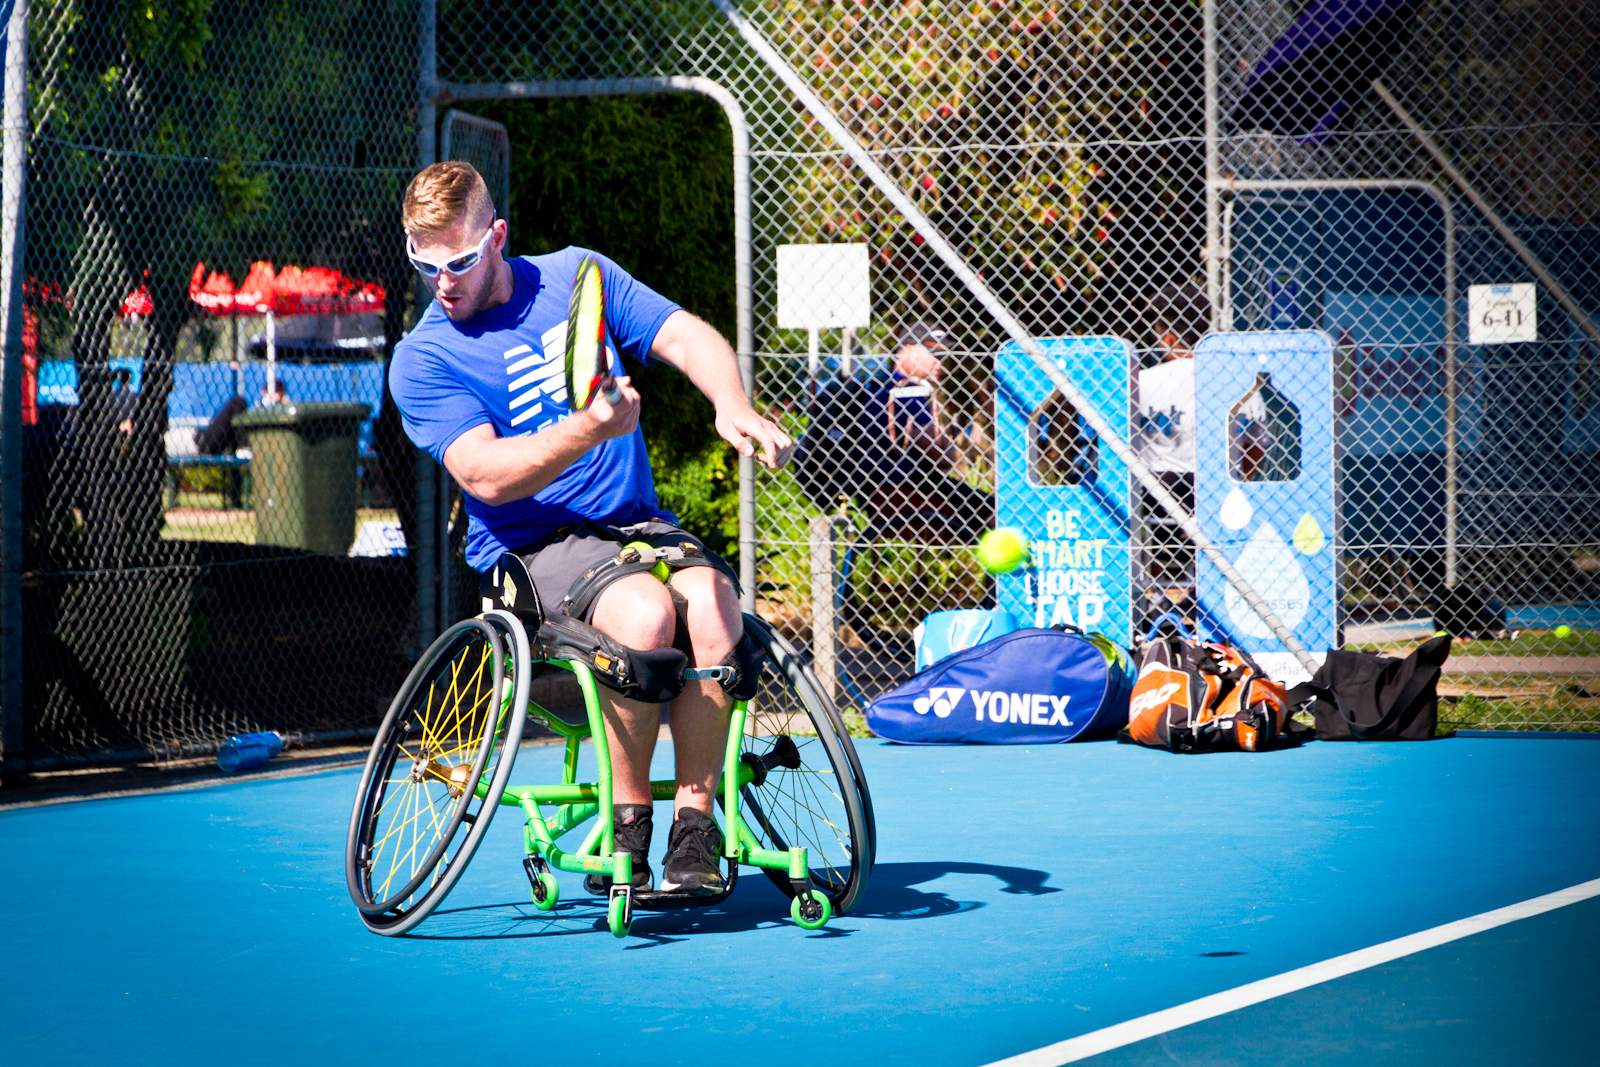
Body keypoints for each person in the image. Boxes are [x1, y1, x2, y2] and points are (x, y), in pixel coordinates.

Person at [388, 161, 792, 898]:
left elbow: (685, 333)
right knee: (645, 612)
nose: (442, 281)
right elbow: (483, 474)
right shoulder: (424, 358)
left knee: (713, 604)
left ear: (497, 237)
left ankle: (693, 831)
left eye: (460, 260)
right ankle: (629, 822)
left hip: (635, 524)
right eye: (424, 264)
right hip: (532, 550)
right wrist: (586, 429)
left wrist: (729, 401)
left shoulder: (579, 279)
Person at [792, 321, 989, 540]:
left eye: (942, 355)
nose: (939, 362)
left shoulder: (874, 386)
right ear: (906, 350)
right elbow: (938, 455)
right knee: (995, 511)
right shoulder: (910, 391)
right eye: (932, 352)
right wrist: (950, 445)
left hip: (871, 491)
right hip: (906, 489)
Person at [1131, 282, 1208, 637]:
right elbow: (1254, 448)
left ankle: (1162, 602)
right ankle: (1195, 601)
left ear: (1165, 335)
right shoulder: (1227, 380)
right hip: (1211, 487)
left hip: (1155, 489)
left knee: (1158, 541)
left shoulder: (1141, 382)